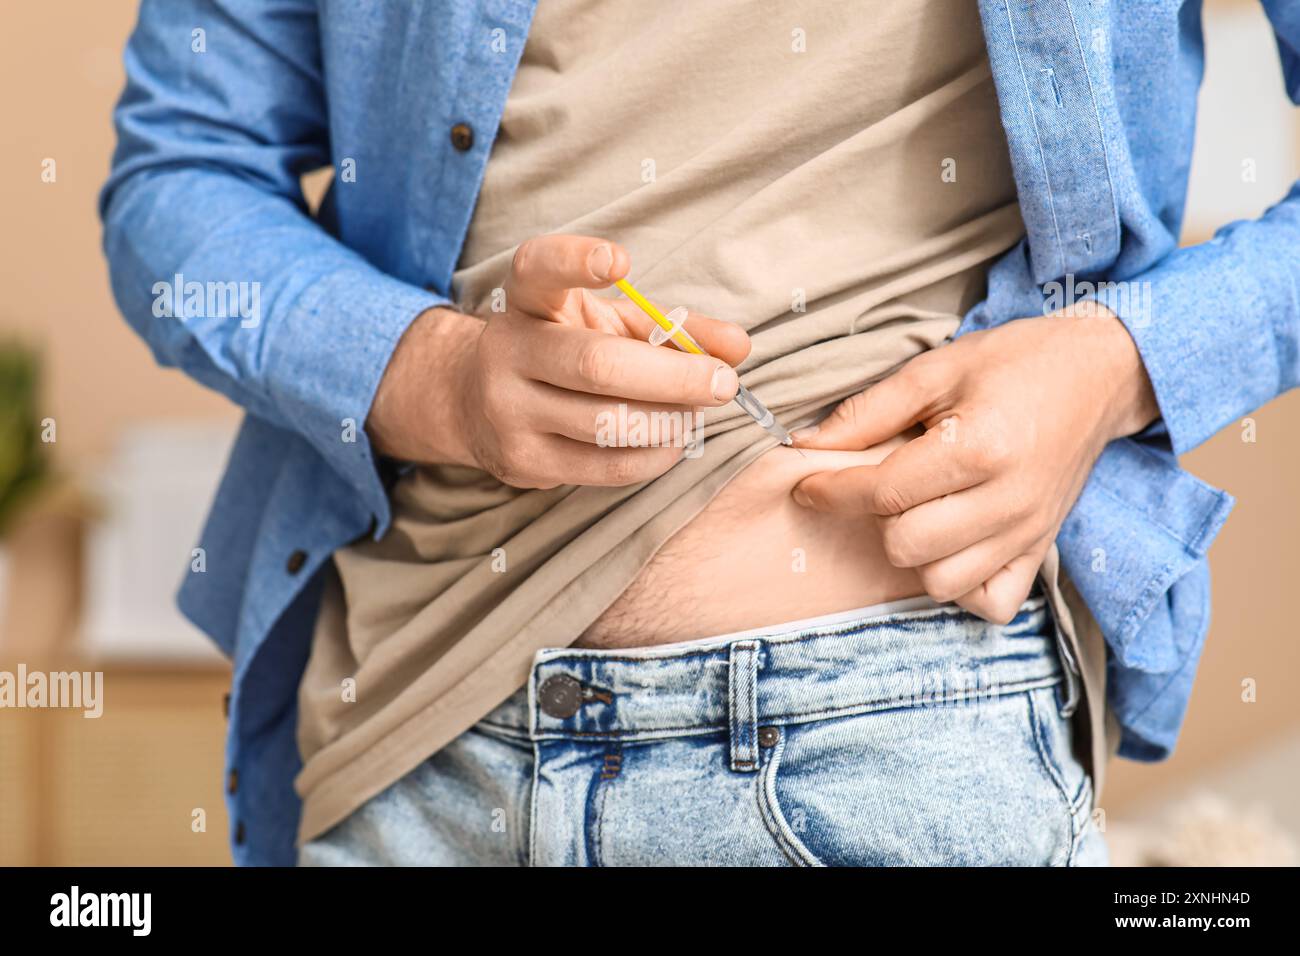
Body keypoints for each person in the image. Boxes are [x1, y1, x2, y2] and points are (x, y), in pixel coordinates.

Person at [100, 0, 1295, 866]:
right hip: (416, 741)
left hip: (901, 732)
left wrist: (1118, 359)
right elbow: (179, 169)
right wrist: (433, 373)